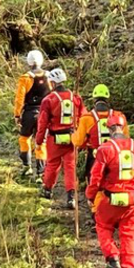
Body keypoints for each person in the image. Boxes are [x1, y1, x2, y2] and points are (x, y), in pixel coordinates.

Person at [85, 113, 134, 268]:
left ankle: (112, 258)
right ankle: (128, 267)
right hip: (133, 200)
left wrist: (90, 195)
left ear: (108, 129)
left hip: (110, 199)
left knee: (103, 226)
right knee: (129, 233)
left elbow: (95, 177)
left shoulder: (105, 149)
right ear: (124, 128)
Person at [35, 68, 84, 209]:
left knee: (52, 164)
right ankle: (71, 197)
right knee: (70, 167)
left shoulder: (48, 100)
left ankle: (47, 190)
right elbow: (82, 118)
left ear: (53, 83)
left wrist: (38, 140)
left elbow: (42, 122)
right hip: (71, 137)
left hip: (54, 138)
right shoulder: (75, 98)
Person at [73, 84, 128, 183]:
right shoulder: (119, 116)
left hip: (94, 157)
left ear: (94, 100)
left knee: (94, 184)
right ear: (108, 99)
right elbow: (126, 139)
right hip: (115, 157)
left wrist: (74, 136)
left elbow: (78, 142)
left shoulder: (86, 119)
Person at [13, 50, 49, 176]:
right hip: (44, 115)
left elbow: (19, 99)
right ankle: (41, 173)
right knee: (42, 142)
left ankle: (27, 166)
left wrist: (17, 115)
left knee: (24, 138)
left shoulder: (25, 78)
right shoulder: (49, 77)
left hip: (28, 113)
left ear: (28, 61)